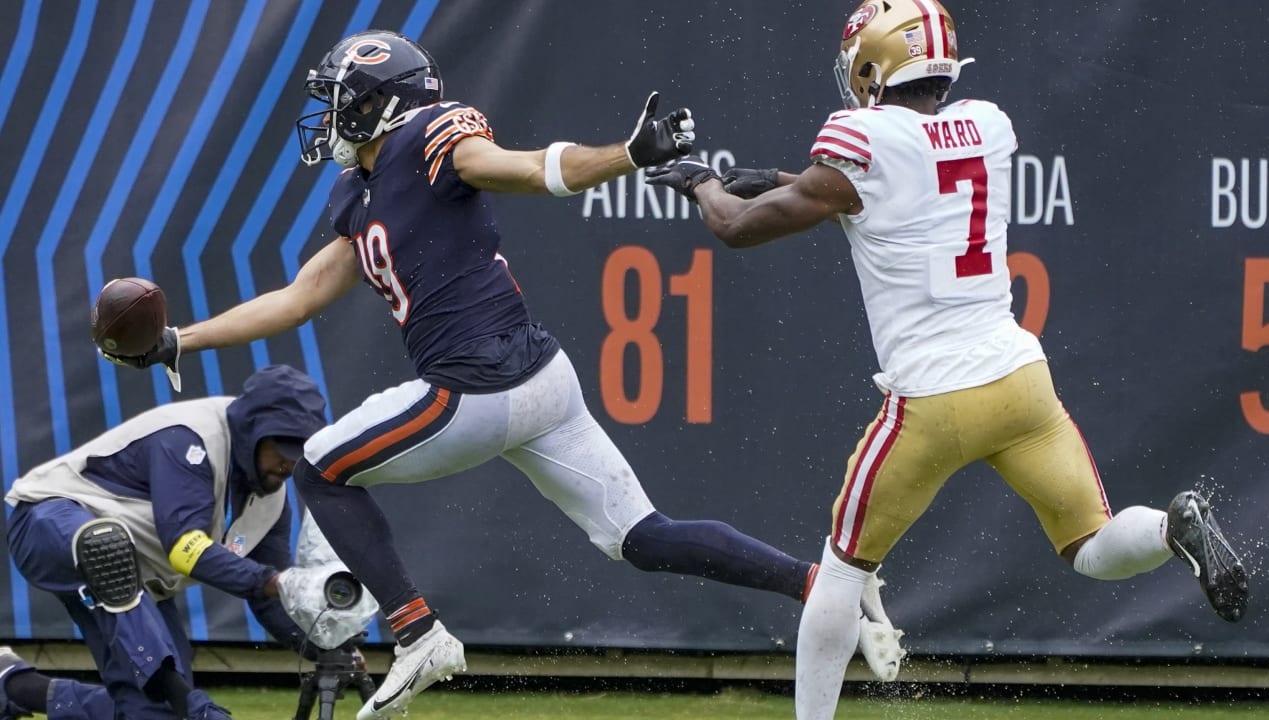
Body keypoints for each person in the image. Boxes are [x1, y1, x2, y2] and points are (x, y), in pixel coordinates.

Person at [97, 29, 910, 720]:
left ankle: (418, 633)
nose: (329, 114)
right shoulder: (361, 191)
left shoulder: (433, 136)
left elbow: (520, 166)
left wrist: (627, 155)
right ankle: (823, 589)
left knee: (320, 464)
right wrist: (180, 340)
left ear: (379, 100)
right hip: (541, 382)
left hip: (475, 388)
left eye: (340, 96)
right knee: (642, 536)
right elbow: (302, 294)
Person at [643, 1, 1251, 718]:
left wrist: (700, 182)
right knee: (1090, 542)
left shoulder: (860, 138)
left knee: (840, 570)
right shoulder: (987, 126)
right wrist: (780, 175)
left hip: (931, 400)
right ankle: (1168, 529)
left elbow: (740, 229)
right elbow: (890, 179)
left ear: (874, 66)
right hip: (1020, 381)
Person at [2, 364, 332, 720]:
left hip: (131, 578)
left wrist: (321, 647)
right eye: (281, 446)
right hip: (48, 522)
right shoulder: (191, 437)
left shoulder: (271, 500)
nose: (289, 462)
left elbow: (272, 600)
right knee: (105, 548)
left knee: (157, 713)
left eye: (299, 450)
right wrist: (270, 581)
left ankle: (15, 686)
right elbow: (185, 548)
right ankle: (189, 703)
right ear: (252, 430)